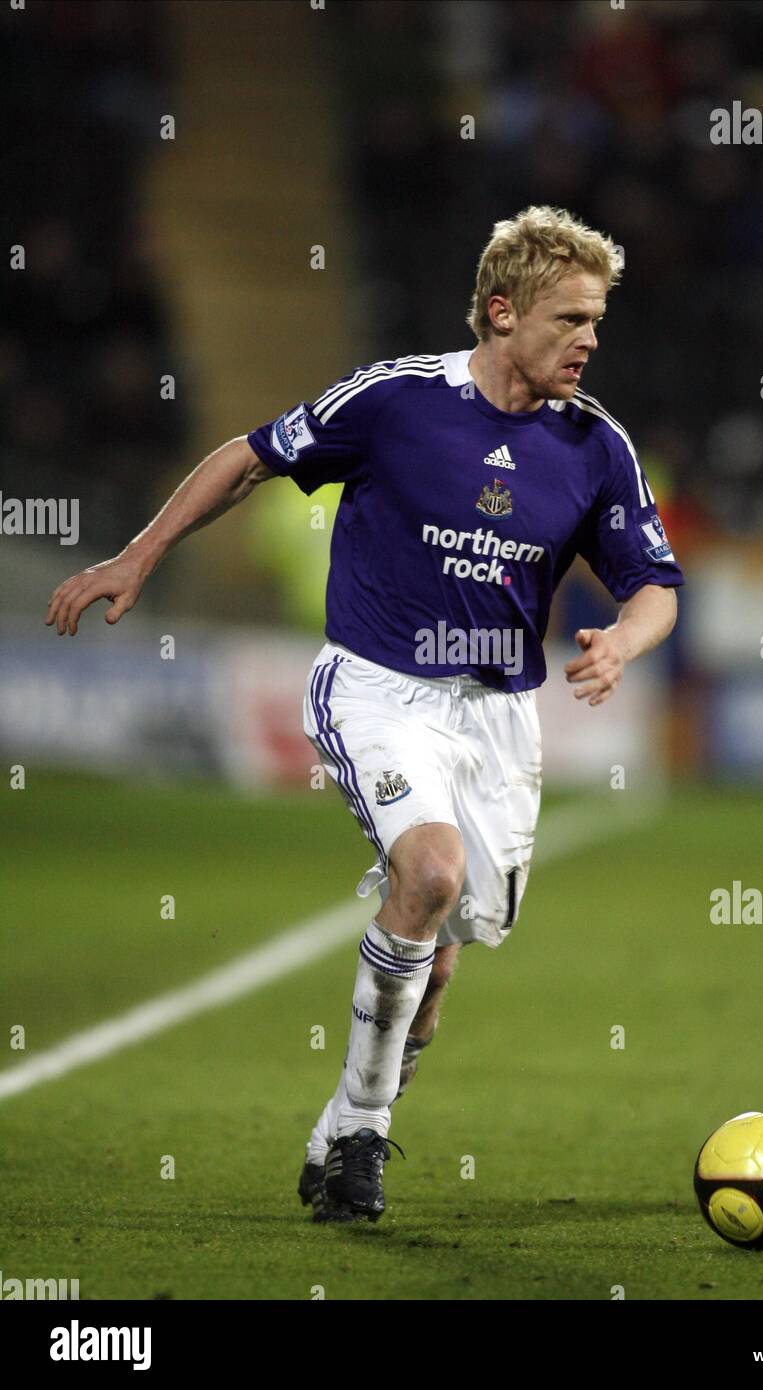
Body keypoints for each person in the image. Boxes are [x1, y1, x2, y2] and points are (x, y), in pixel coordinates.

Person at [46, 205, 684, 1224]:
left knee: (435, 967)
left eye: (597, 319)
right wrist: (138, 553)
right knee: (428, 872)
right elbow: (249, 456)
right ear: (500, 309)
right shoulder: (395, 400)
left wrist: (623, 640)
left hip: (499, 720)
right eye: (569, 317)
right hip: (376, 686)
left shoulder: (592, 444)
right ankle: (369, 1139)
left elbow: (653, 581)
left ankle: (345, 1119)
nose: (589, 338)